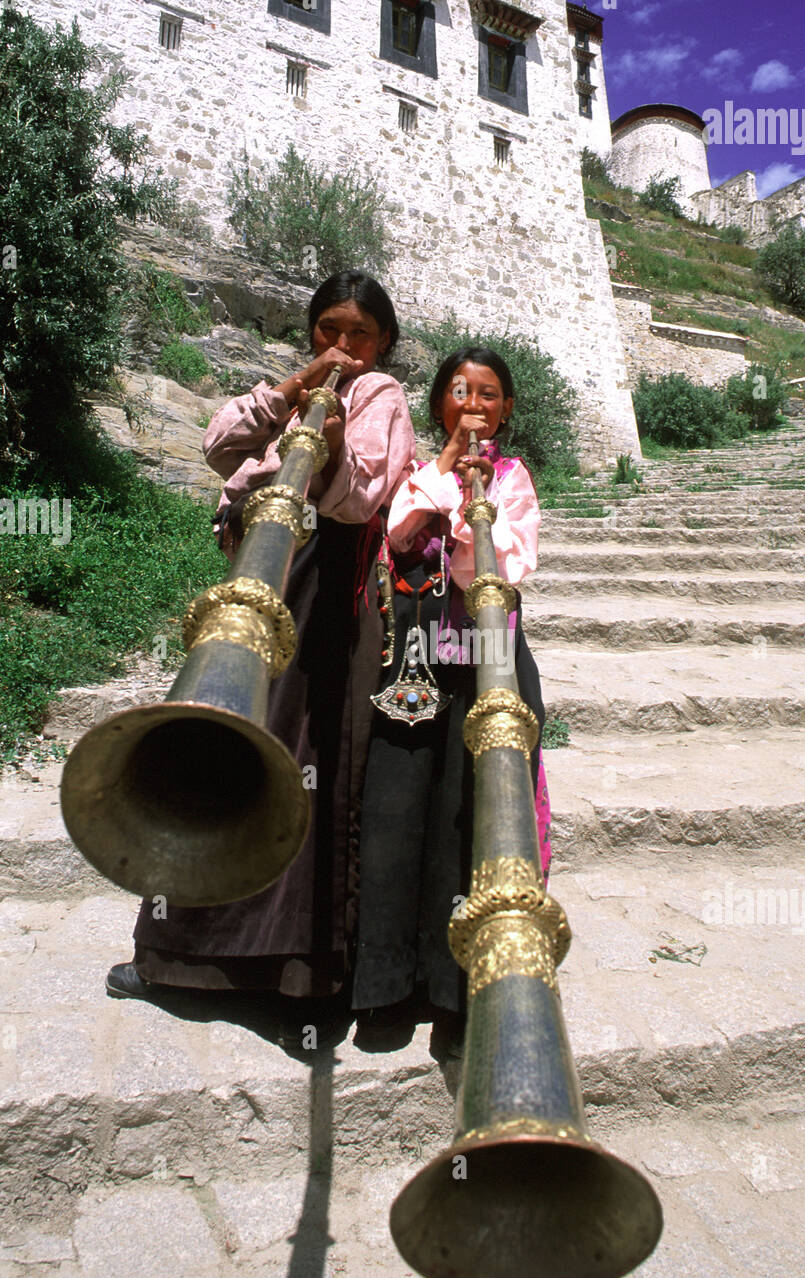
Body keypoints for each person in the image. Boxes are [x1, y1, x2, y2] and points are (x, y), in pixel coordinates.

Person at [105, 272, 416, 1046]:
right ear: (311, 331)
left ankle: (303, 980)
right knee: (219, 745)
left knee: (309, 763)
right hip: (256, 573)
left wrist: (332, 437)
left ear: (382, 345)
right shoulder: (290, 387)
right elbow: (218, 447)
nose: (342, 348)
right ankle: (182, 959)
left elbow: (360, 496)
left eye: (360, 336)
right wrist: (289, 394)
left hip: (321, 589)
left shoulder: (381, 397)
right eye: (328, 331)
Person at [351, 346, 552, 1056]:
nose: (475, 404)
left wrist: (468, 510)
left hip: (486, 654)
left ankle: (458, 990)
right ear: (440, 401)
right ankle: (383, 987)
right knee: (396, 809)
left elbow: (504, 566)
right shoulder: (413, 472)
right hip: (414, 656)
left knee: (472, 812)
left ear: (505, 408)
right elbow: (401, 530)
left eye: (489, 394)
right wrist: (443, 483)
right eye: (461, 391)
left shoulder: (514, 480)